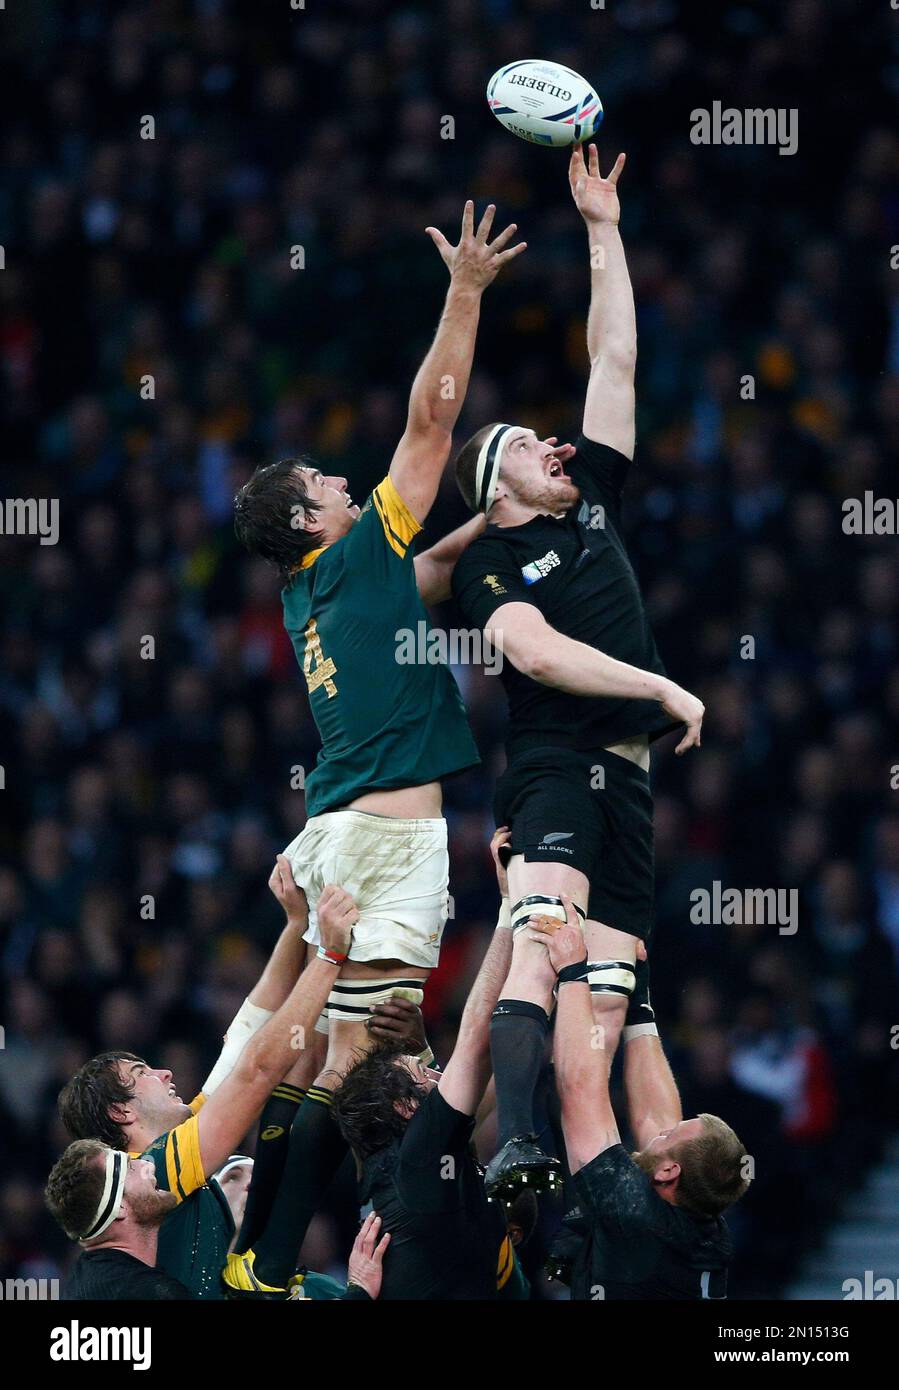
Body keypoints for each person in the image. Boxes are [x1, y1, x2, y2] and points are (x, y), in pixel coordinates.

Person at [230, 199, 537, 1286]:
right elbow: (426, 429)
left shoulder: (314, 594)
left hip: (344, 834)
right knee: (376, 1068)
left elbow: (420, 577)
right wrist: (464, 291)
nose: (343, 485)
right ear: (310, 521)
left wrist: (491, 519)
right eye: (325, 485)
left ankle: (260, 1263)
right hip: (381, 843)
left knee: (332, 1062)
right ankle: (356, 1268)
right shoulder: (350, 562)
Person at [450, 145, 705, 1197]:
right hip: (556, 762)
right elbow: (530, 651)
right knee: (539, 931)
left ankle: (646, 1202)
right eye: (524, 446)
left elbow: (613, 361)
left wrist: (601, 228)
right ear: (492, 484)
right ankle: (518, 1141)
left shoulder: (589, 488)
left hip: (630, 777)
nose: (552, 446)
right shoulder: (492, 562)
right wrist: (655, 683)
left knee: (613, 994)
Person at [57, 881, 357, 1298]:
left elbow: (240, 1043)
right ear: (121, 1113)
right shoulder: (153, 1169)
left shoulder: (176, 1149)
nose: (164, 1073)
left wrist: (296, 926)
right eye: (142, 1072)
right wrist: (329, 956)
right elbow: (256, 1071)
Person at [331, 829, 517, 1300]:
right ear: (404, 1108)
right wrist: (510, 906)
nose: (436, 1071)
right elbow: (477, 1040)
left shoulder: (401, 1166)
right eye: (424, 1074)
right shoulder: (417, 1162)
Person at [530, 898, 749, 1300]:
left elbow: (578, 1089)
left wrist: (573, 971)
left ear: (668, 1174)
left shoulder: (634, 1213)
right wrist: (639, 994)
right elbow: (654, 1118)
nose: (662, 1130)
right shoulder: (701, 1219)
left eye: (670, 1137)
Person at [46, 1141, 192, 1300]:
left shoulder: (80, 1282)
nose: (148, 1164)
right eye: (129, 1168)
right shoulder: (153, 1293)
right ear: (119, 1207)